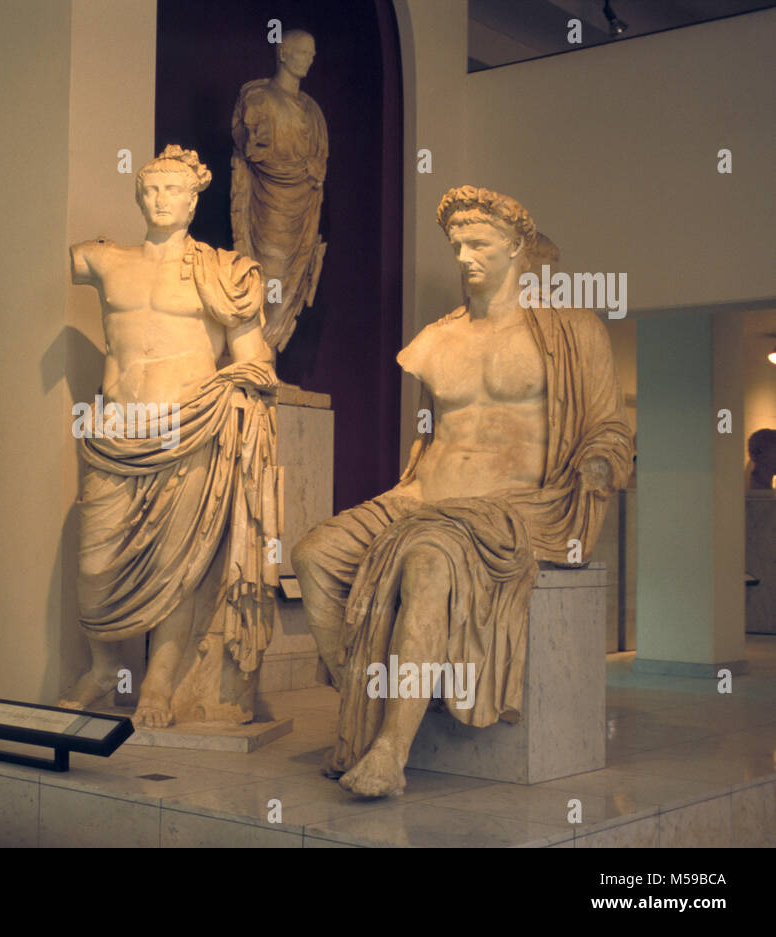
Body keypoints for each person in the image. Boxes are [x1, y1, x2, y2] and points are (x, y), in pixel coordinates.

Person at [292, 186, 633, 796]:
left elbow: (608, 424)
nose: (465, 256)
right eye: (457, 245)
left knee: (427, 558)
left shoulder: (571, 329)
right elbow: (432, 438)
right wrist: (409, 496)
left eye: (480, 244)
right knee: (313, 553)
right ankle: (368, 699)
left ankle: (392, 752)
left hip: (518, 504)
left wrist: (602, 463)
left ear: (519, 248)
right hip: (423, 496)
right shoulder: (438, 337)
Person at [62, 146, 280, 727]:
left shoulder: (225, 273)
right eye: (151, 189)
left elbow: (253, 359)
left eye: (173, 190)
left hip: (187, 427)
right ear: (139, 194)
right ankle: (104, 669)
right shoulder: (103, 261)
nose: (160, 200)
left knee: (174, 567)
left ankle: (158, 685)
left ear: (193, 199)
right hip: (117, 429)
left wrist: (239, 388)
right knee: (95, 565)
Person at [231, 28, 328, 352]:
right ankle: (254, 353)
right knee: (267, 273)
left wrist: (310, 171)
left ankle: (266, 355)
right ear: (283, 53)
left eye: (312, 55)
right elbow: (252, 150)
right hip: (269, 204)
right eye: (303, 52)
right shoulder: (258, 98)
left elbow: (318, 165)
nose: (309, 61)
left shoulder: (314, 111)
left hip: (301, 209)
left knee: (292, 278)